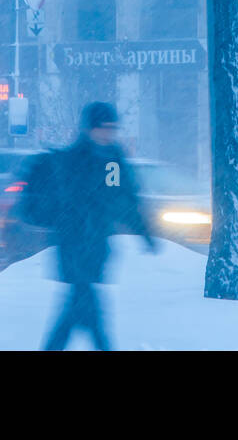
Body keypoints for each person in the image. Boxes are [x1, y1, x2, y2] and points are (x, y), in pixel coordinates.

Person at [41, 101, 156, 351]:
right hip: (73, 243)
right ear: (89, 128)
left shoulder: (112, 159)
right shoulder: (71, 159)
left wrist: (144, 232)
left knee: (78, 308)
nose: (109, 132)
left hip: (97, 244)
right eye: (104, 127)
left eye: (113, 127)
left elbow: (122, 197)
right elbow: (68, 202)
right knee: (86, 305)